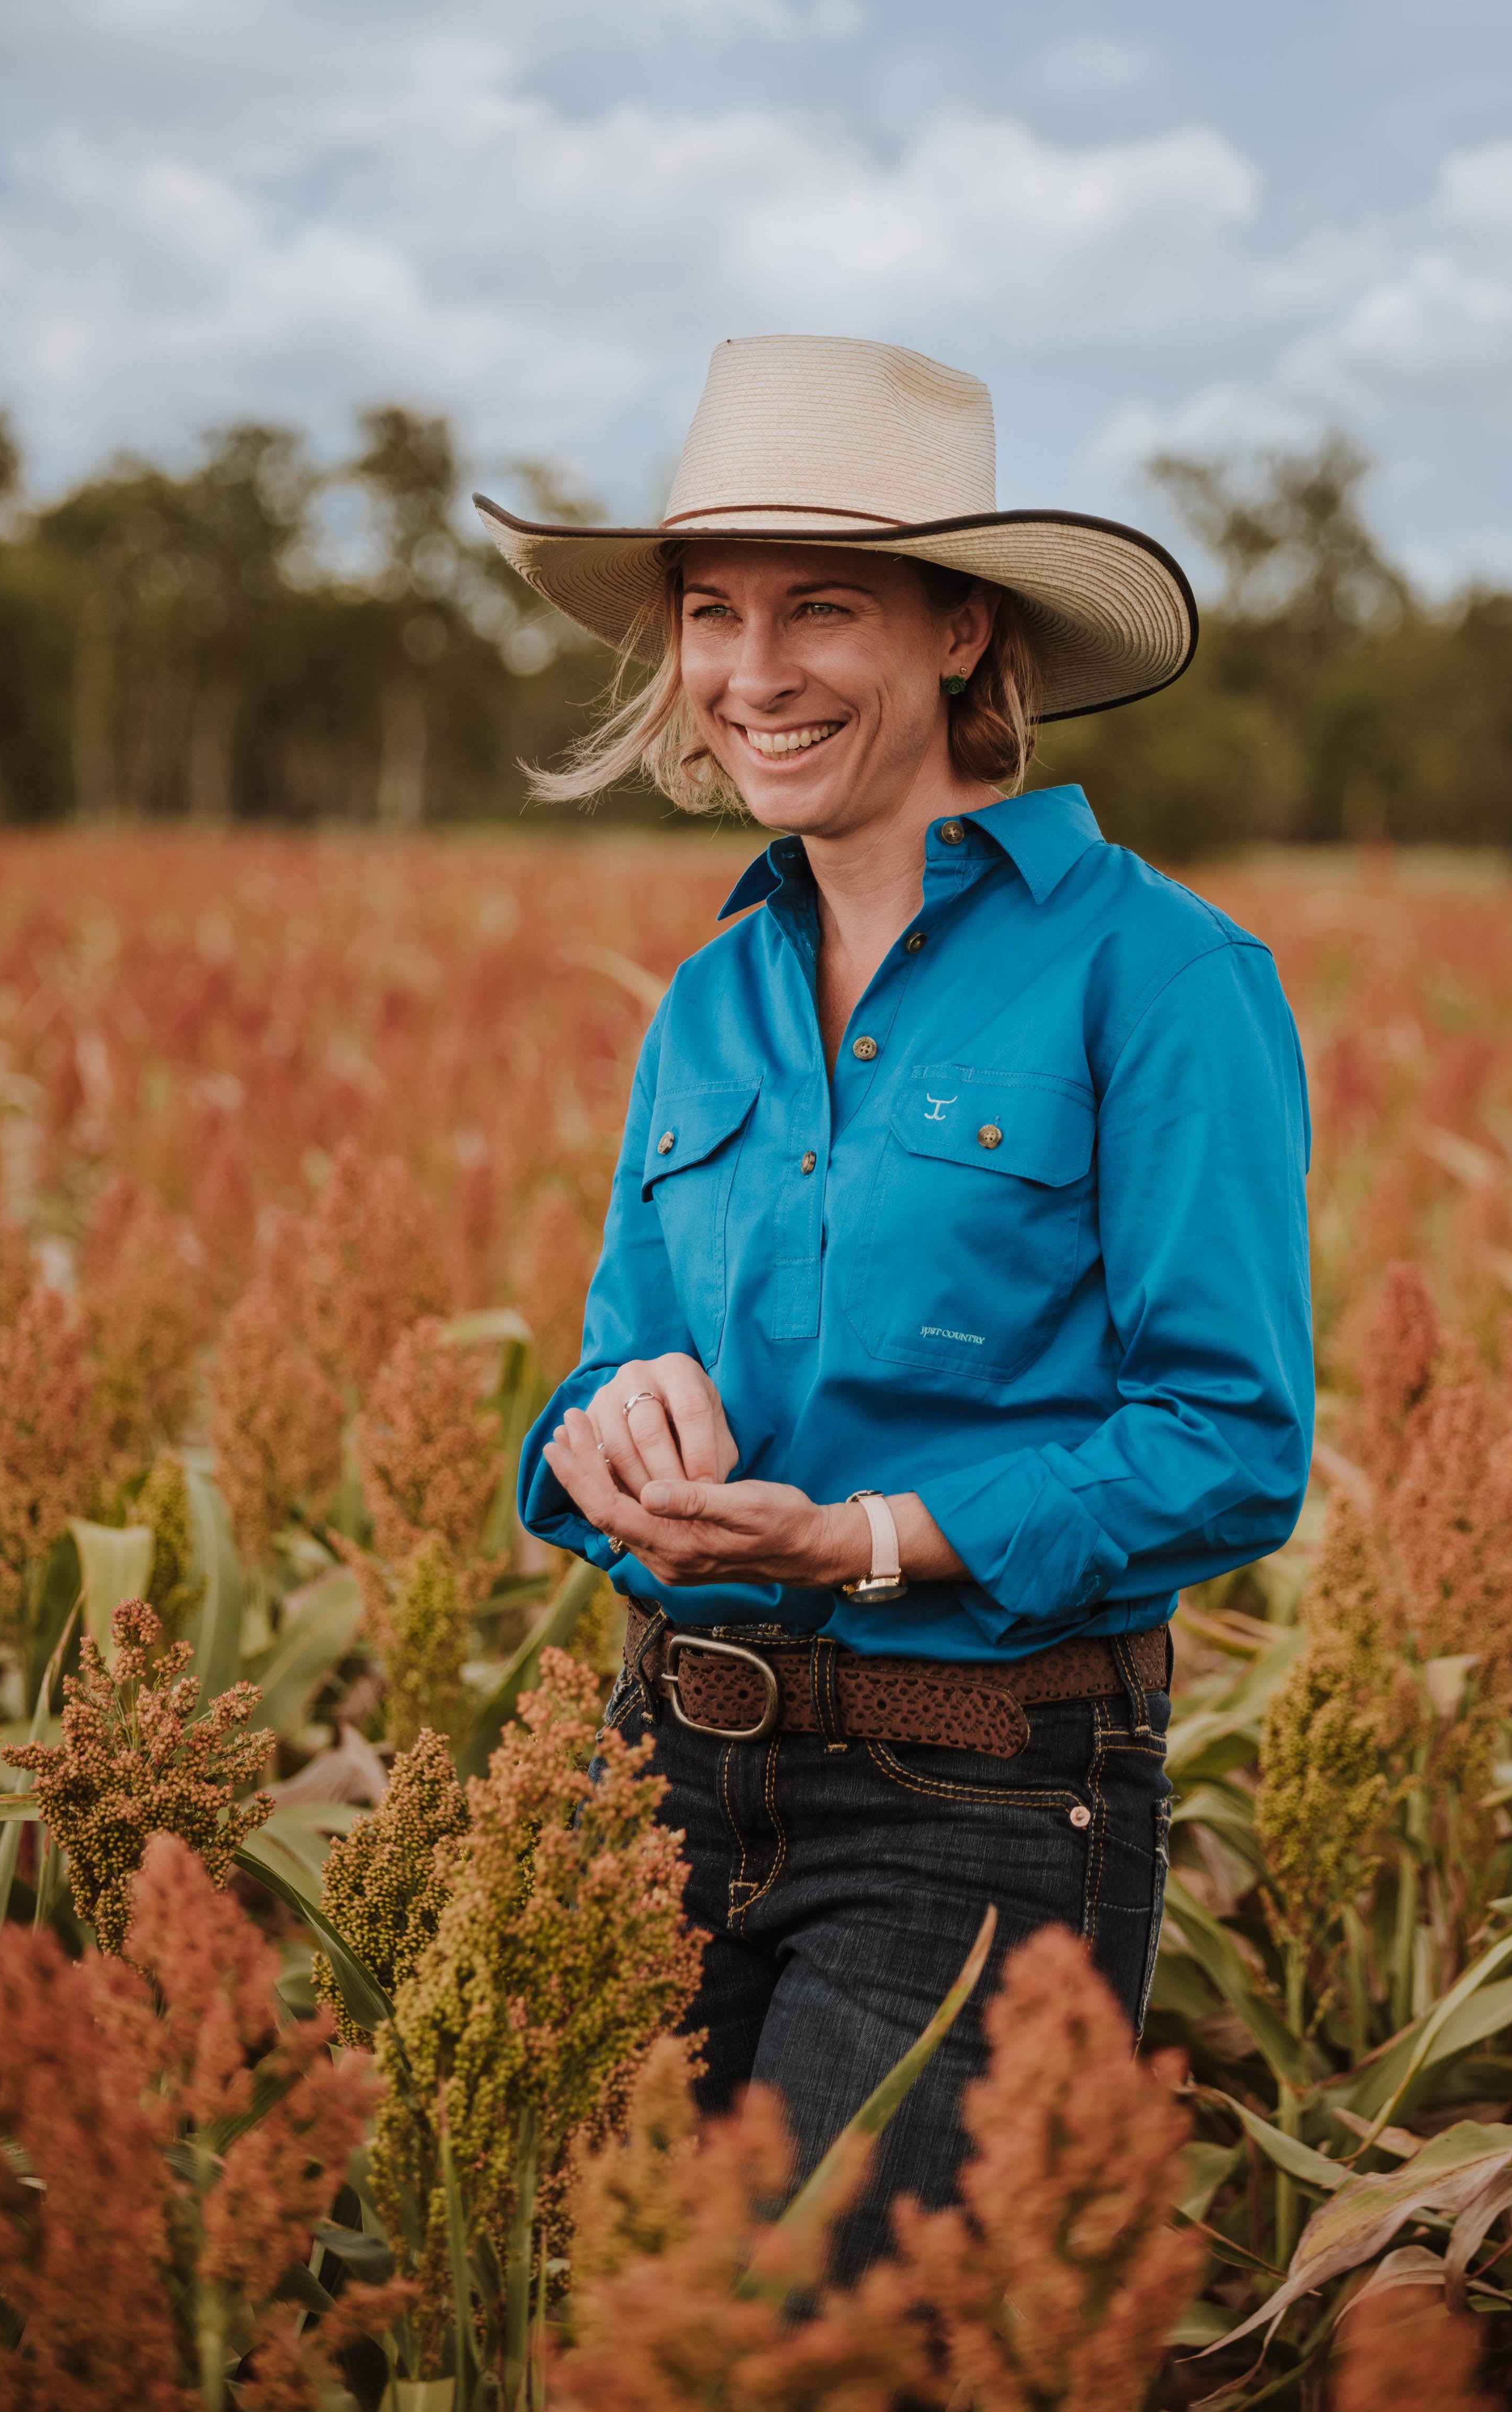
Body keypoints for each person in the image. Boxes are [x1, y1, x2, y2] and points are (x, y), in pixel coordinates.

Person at [486, 334, 1313, 2270]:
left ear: (961, 632)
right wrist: (604, 1432)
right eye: (713, 614)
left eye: (822, 608)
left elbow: (1231, 1442)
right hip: (656, 1768)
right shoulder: (711, 999)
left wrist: (862, 1537)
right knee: (611, 2325)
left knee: (813, 2350)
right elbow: (606, 1363)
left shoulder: (1162, 978)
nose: (751, 671)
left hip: (980, 1804)